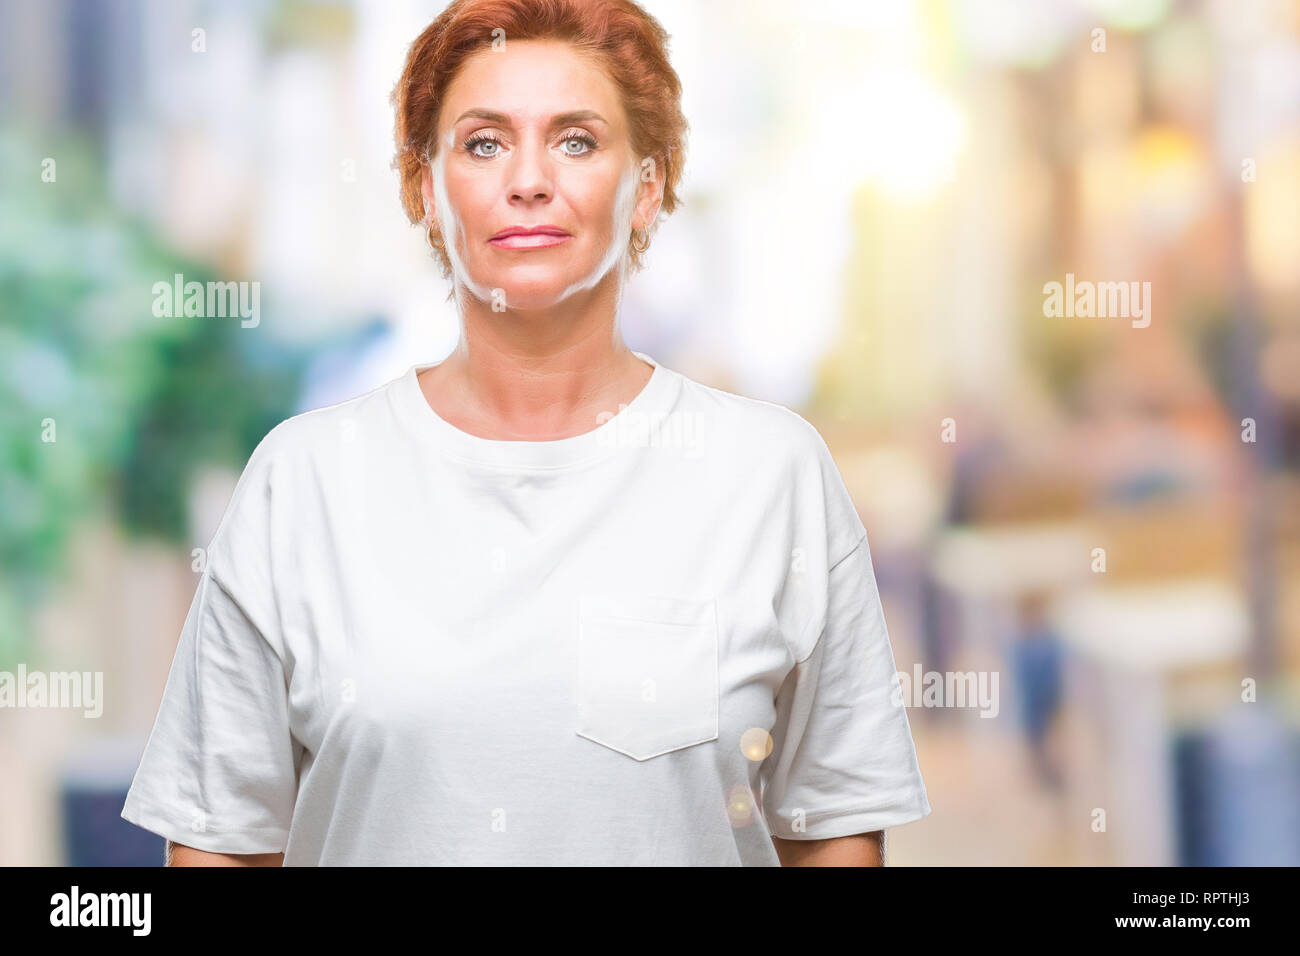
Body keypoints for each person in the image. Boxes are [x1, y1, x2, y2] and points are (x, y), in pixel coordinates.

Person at [121, 0, 930, 866]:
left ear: (648, 187)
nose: (530, 179)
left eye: (577, 140)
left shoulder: (772, 475)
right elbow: (219, 844)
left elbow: (833, 833)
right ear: (421, 189)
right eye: (483, 142)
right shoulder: (302, 482)